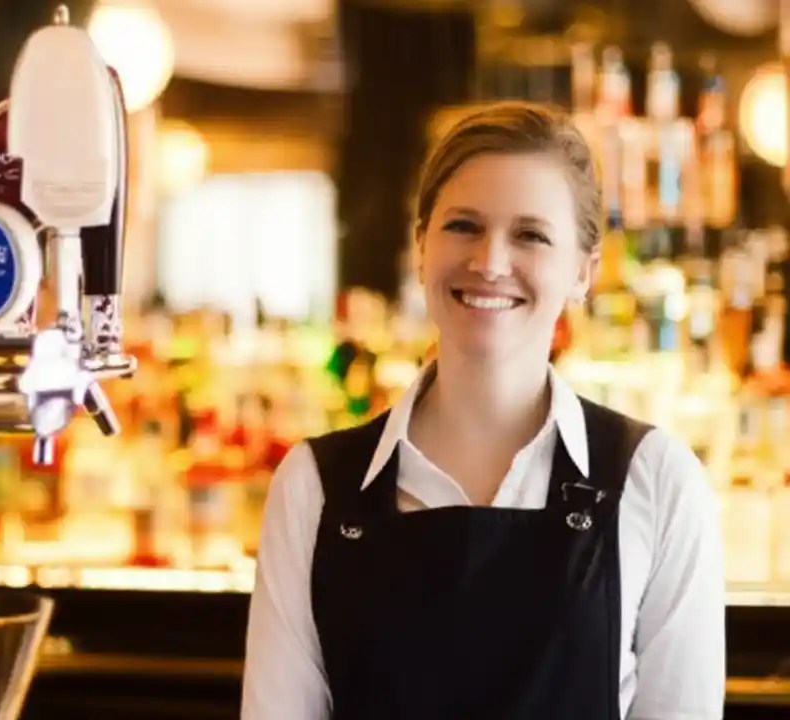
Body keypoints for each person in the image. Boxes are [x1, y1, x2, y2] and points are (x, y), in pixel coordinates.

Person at [241, 102, 725, 719]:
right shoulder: (314, 488)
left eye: (530, 235)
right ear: (421, 246)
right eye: (464, 226)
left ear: (584, 272)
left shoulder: (655, 481)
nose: (490, 262)